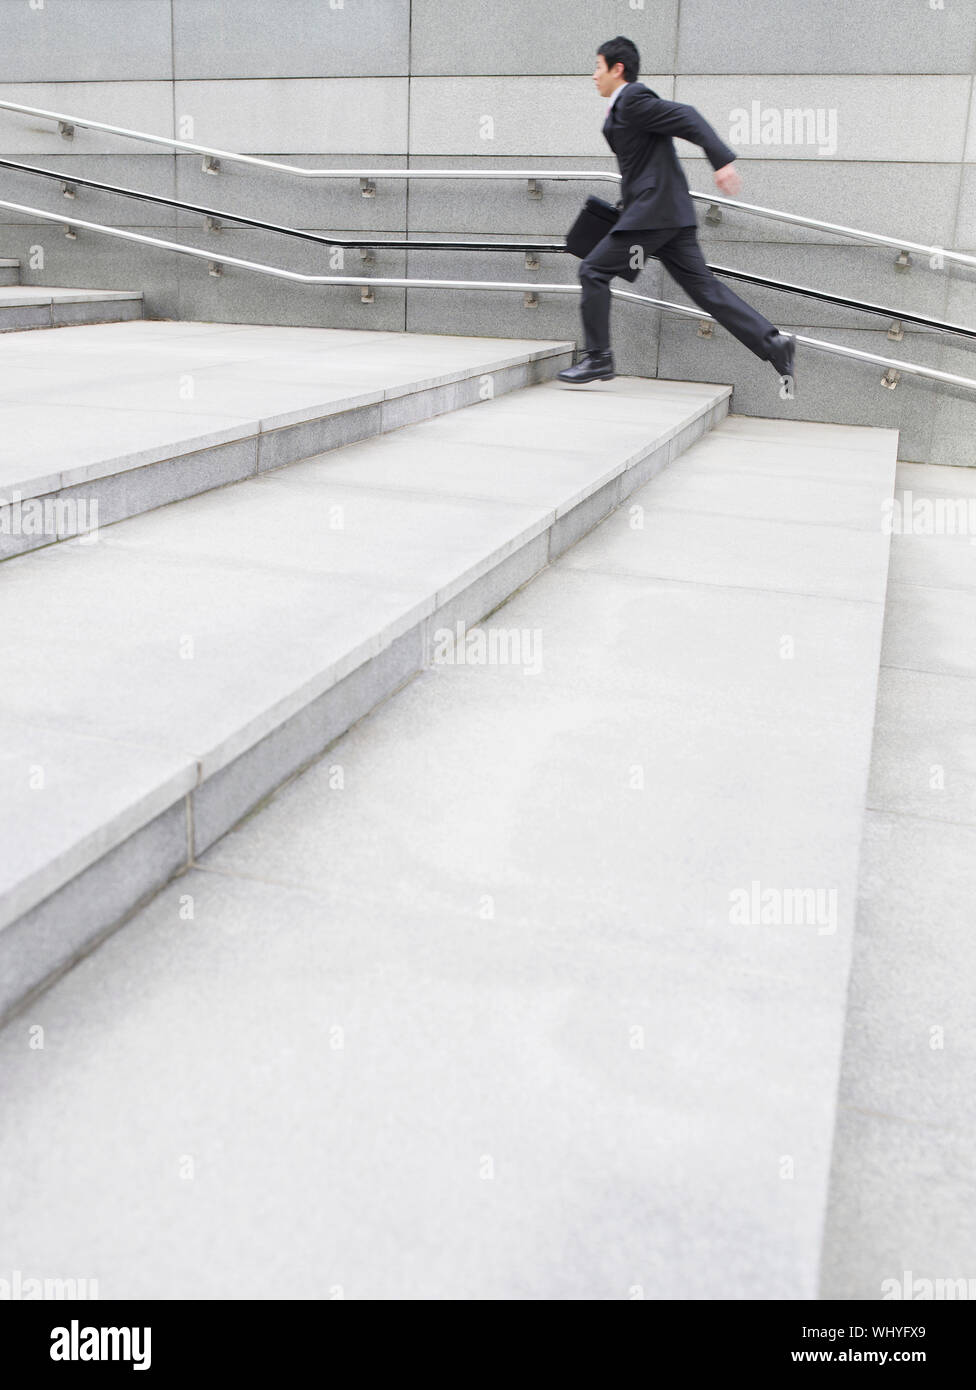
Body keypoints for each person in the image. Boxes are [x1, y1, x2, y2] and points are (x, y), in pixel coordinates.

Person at [558, 36, 796, 388]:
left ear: (617, 68)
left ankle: (598, 358)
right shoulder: (623, 108)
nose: (594, 76)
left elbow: (687, 115)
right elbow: (644, 163)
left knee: (593, 270)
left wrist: (721, 162)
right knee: (705, 290)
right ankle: (774, 344)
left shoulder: (634, 100)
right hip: (668, 216)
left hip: (655, 215)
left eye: (597, 67)